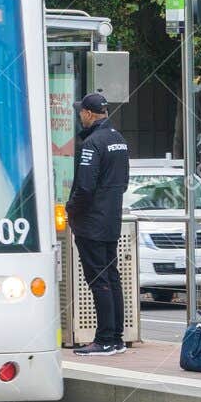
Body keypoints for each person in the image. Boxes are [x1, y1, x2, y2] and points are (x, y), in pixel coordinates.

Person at [66, 92, 130, 356]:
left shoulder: (92, 143)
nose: (79, 114)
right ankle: (116, 337)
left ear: (89, 114)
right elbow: (124, 182)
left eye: (81, 111)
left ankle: (104, 339)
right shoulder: (118, 139)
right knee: (112, 277)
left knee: (99, 280)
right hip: (111, 219)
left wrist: (71, 210)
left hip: (91, 221)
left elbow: (84, 186)